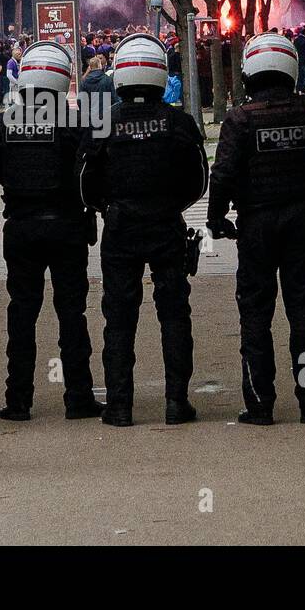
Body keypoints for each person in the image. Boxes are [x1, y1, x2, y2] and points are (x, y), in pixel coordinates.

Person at [206, 31, 305, 425]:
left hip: (255, 224)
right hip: (302, 224)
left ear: (249, 72)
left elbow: (221, 174)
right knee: (304, 314)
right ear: (291, 69)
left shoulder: (239, 119)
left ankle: (259, 405)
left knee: (255, 314)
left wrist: (216, 218)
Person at [77, 34, 209, 427]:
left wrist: (109, 207)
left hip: (120, 229)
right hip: (166, 226)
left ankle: (119, 406)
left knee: (118, 319)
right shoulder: (179, 123)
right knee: (174, 315)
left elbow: (85, 183)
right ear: (158, 73)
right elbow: (199, 179)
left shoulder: (104, 123)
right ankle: (176, 403)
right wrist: (170, 206)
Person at [0, 41, 103, 422]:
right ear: (61, 78)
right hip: (66, 227)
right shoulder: (77, 121)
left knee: (21, 314)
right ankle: (78, 397)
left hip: (20, 229)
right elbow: (92, 174)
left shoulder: (2, 122)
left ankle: (18, 401)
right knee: (71, 315)